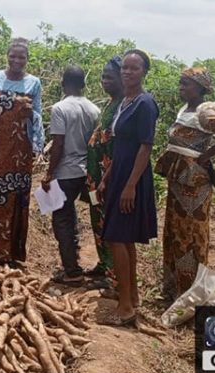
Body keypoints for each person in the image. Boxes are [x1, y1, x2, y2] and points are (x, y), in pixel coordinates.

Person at [155, 67, 215, 299]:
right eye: (180, 82)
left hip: (193, 183)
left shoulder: (206, 111)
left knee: (190, 234)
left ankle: (190, 292)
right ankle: (174, 290)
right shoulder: (186, 108)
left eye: (186, 83)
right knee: (174, 231)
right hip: (179, 179)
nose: (181, 87)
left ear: (200, 88)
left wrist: (205, 156)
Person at [98, 49, 158, 326]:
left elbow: (145, 147)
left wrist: (130, 186)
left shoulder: (145, 104)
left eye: (133, 69)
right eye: (124, 68)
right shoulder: (126, 102)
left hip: (132, 177)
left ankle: (124, 307)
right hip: (119, 174)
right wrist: (108, 176)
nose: (127, 73)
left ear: (144, 72)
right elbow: (121, 145)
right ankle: (131, 297)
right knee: (123, 238)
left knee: (116, 237)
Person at [0, 38, 44, 267]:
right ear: (6, 55)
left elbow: (38, 116)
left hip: (20, 152)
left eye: (22, 57)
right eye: (13, 56)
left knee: (17, 199)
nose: (17, 60)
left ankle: (13, 255)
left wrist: (29, 114)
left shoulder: (33, 83)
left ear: (27, 59)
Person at [43, 65, 100, 285]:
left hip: (65, 173)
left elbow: (58, 144)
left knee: (63, 220)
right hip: (86, 174)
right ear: (83, 85)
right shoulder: (94, 110)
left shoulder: (59, 108)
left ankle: (72, 271)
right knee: (87, 216)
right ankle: (97, 266)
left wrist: (49, 173)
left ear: (62, 83)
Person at [85, 56, 124, 290]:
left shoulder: (123, 106)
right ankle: (103, 264)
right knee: (97, 221)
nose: (104, 81)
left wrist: (105, 178)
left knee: (109, 224)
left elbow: (120, 147)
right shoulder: (111, 103)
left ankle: (114, 277)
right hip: (95, 178)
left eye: (110, 77)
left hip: (107, 178)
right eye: (102, 77)